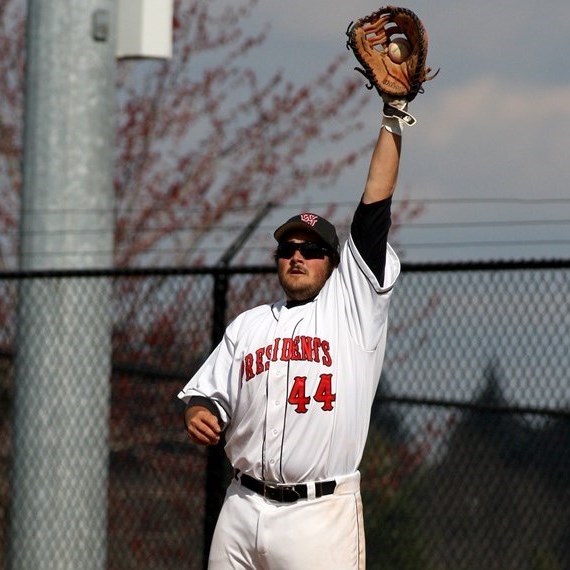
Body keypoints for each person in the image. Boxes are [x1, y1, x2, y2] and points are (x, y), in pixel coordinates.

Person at [177, 97, 407, 569]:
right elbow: (208, 396)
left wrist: (393, 117)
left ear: (334, 261)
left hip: (318, 515)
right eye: (288, 248)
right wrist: (197, 412)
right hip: (241, 507)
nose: (298, 255)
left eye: (312, 249)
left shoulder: (352, 309)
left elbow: (373, 210)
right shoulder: (250, 324)